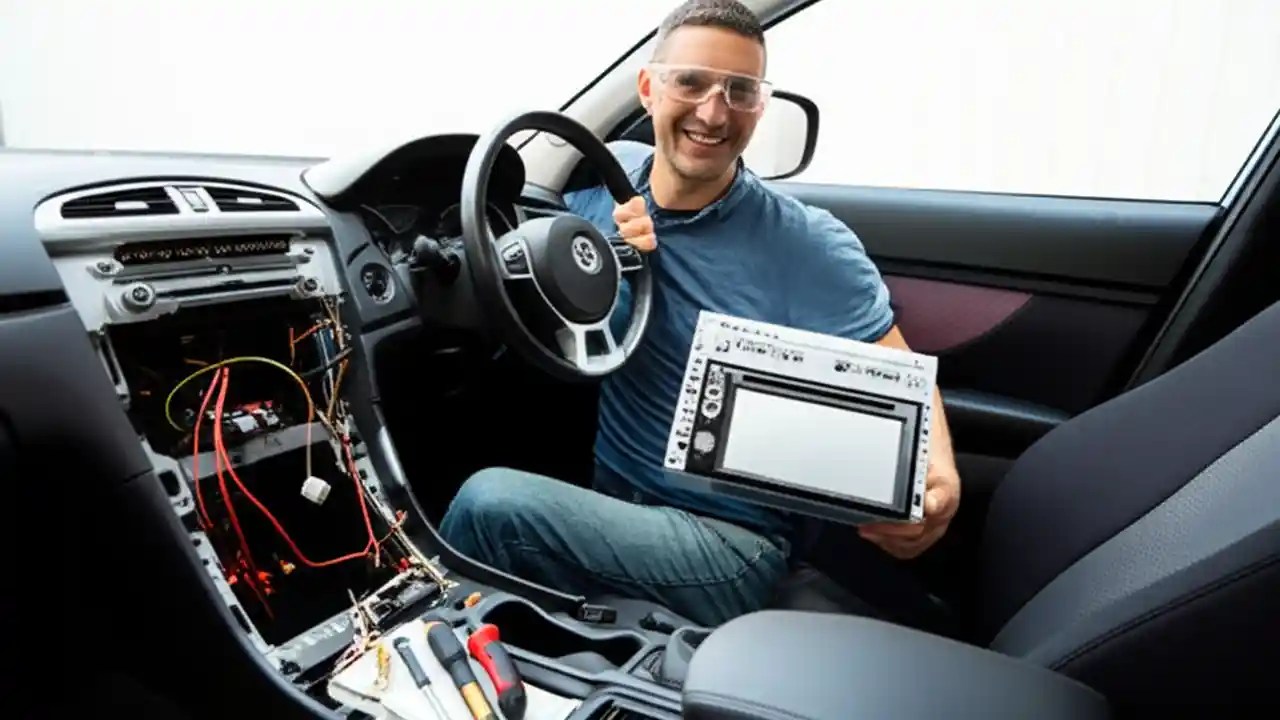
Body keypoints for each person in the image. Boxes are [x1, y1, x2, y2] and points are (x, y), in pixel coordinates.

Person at [440, 0, 960, 628]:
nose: (714, 113)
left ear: (760, 108)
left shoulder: (807, 244)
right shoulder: (605, 184)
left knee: (487, 503)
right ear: (648, 89)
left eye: (740, 91)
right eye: (690, 82)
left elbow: (899, 378)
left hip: (728, 544)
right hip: (613, 498)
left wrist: (939, 475)